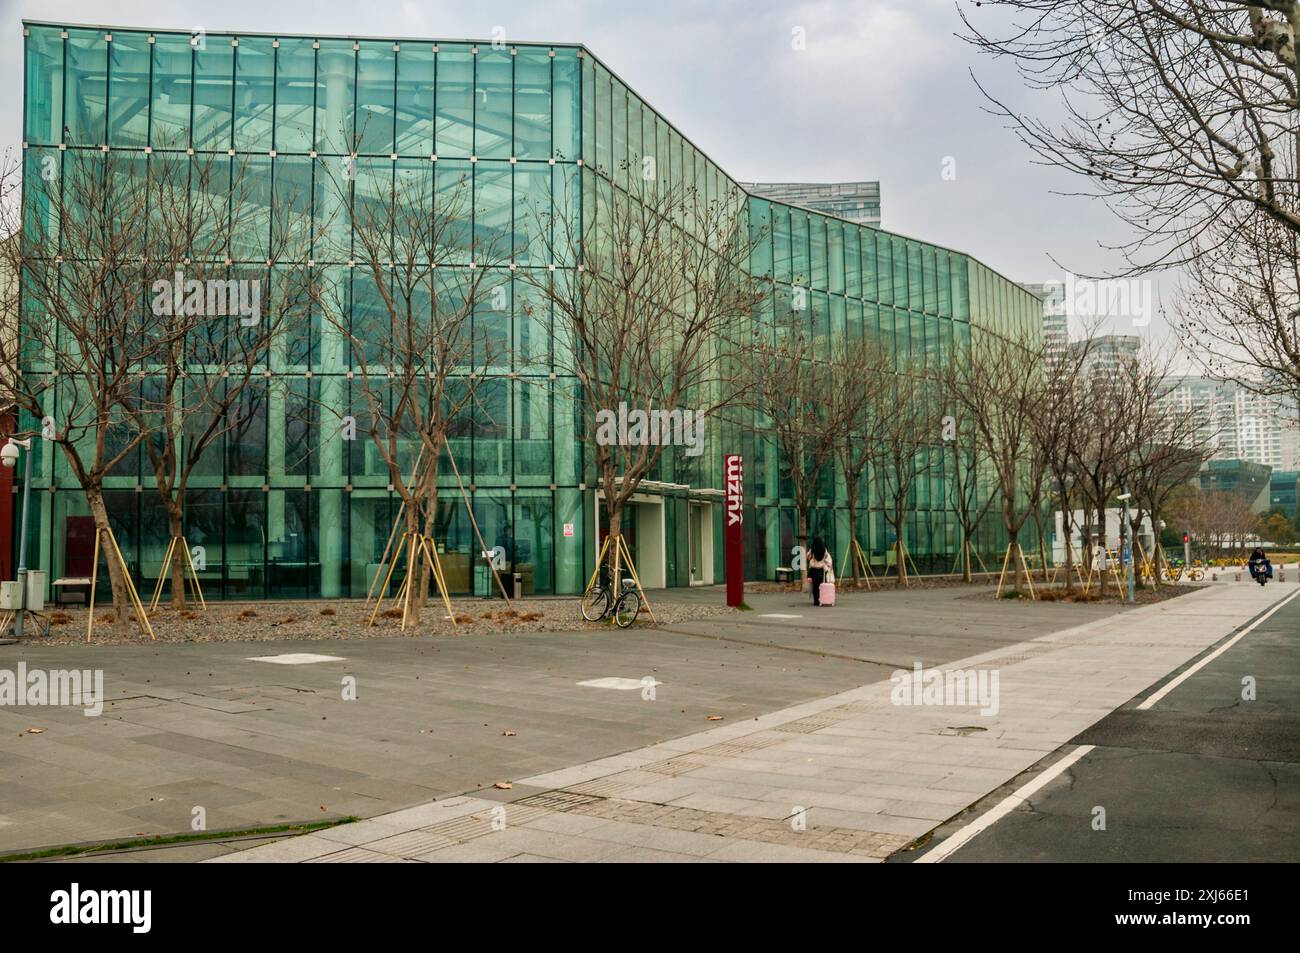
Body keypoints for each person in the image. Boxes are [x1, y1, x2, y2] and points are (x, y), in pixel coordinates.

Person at [807, 537, 833, 606]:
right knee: (821, 586)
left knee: (814, 586)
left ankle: (816, 601)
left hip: (813, 570)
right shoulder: (824, 550)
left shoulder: (812, 549)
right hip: (821, 570)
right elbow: (827, 559)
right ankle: (821, 599)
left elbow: (808, 557)